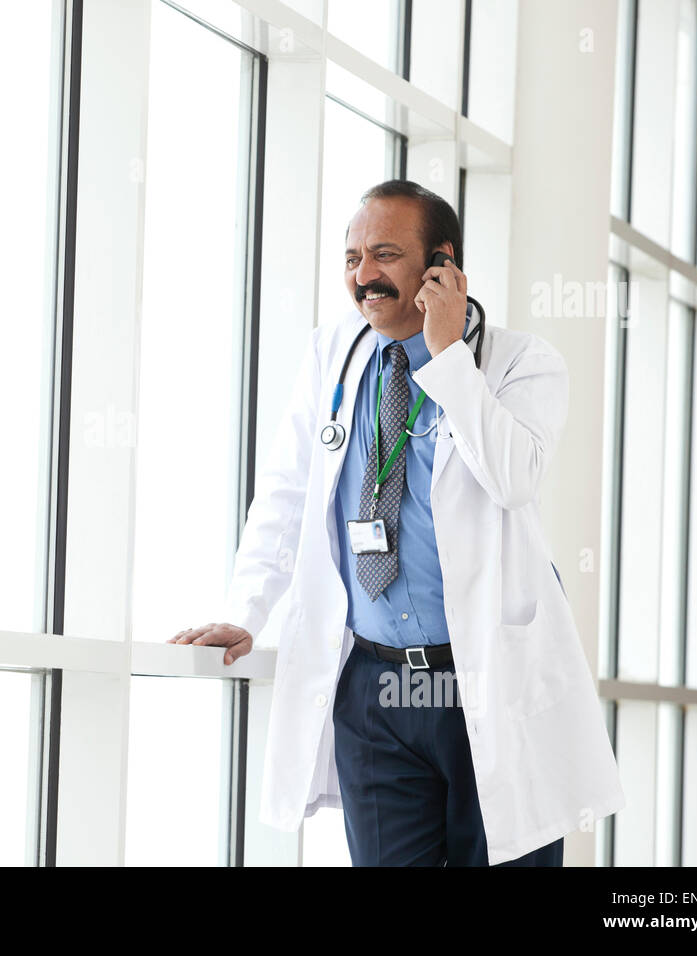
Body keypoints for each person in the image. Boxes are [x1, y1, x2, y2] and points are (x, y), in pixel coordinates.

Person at [169, 180, 625, 866]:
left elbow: (512, 477)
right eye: (352, 258)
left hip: (484, 681)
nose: (363, 276)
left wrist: (447, 358)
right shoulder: (334, 355)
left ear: (441, 264)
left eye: (384, 254)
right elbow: (289, 494)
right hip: (375, 693)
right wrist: (247, 611)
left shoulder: (521, 364)